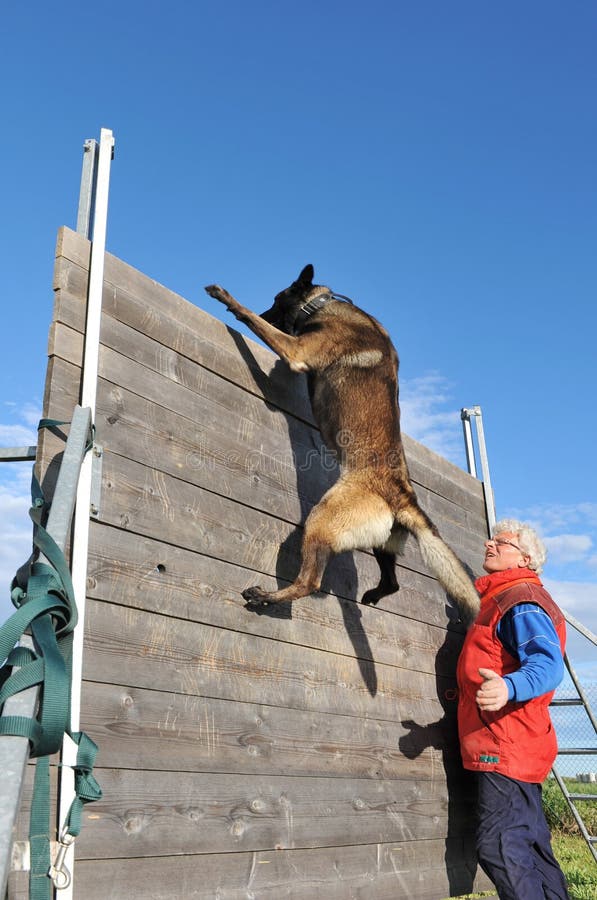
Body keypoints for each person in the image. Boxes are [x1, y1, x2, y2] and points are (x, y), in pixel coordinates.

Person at [457, 518, 570, 899]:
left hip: (504, 744)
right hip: (521, 740)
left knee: (500, 846)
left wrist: (508, 686)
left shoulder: (519, 599)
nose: (490, 544)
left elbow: (548, 664)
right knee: (533, 850)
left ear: (525, 558)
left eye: (501, 542)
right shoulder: (508, 597)